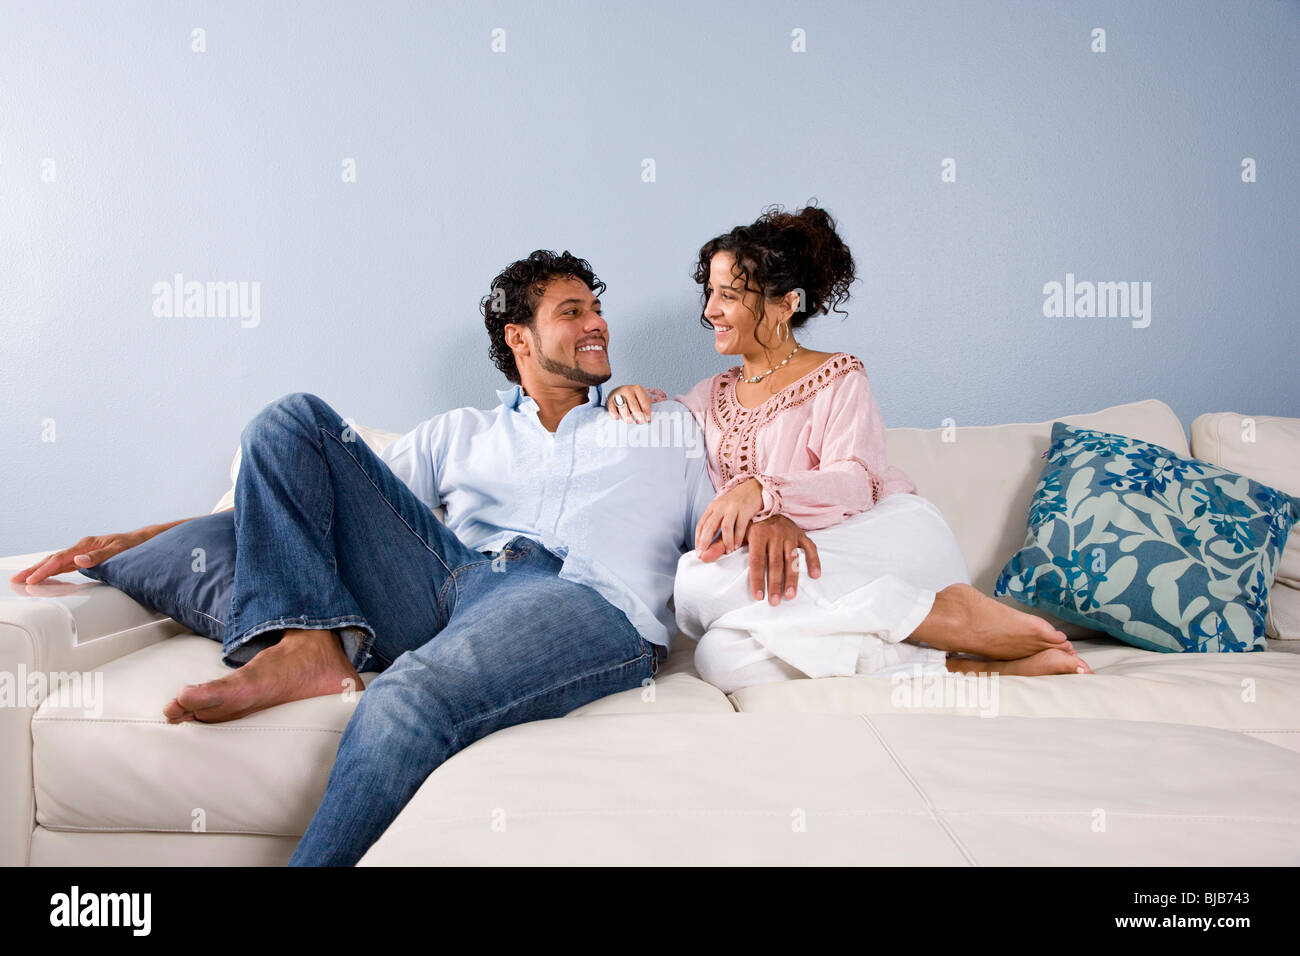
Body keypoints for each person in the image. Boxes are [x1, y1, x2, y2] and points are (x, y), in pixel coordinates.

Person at [11, 249, 820, 866]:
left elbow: (743, 492)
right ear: (520, 338)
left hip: (579, 602)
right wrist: (146, 534)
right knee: (289, 420)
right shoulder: (456, 434)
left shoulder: (667, 423)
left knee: (402, 698)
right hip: (449, 576)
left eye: (596, 309)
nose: (597, 323)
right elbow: (299, 501)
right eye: (573, 311)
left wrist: (775, 506)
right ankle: (308, 643)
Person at [607, 206, 1092, 693]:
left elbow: (857, 482)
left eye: (729, 295)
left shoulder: (839, 376)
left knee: (698, 582)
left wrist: (763, 492)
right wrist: (629, 395)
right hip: (800, 570)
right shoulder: (711, 395)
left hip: (886, 543)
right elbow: (669, 426)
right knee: (719, 653)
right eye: (710, 293)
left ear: (785, 304)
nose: (711, 309)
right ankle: (947, 652)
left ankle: (946, 607)